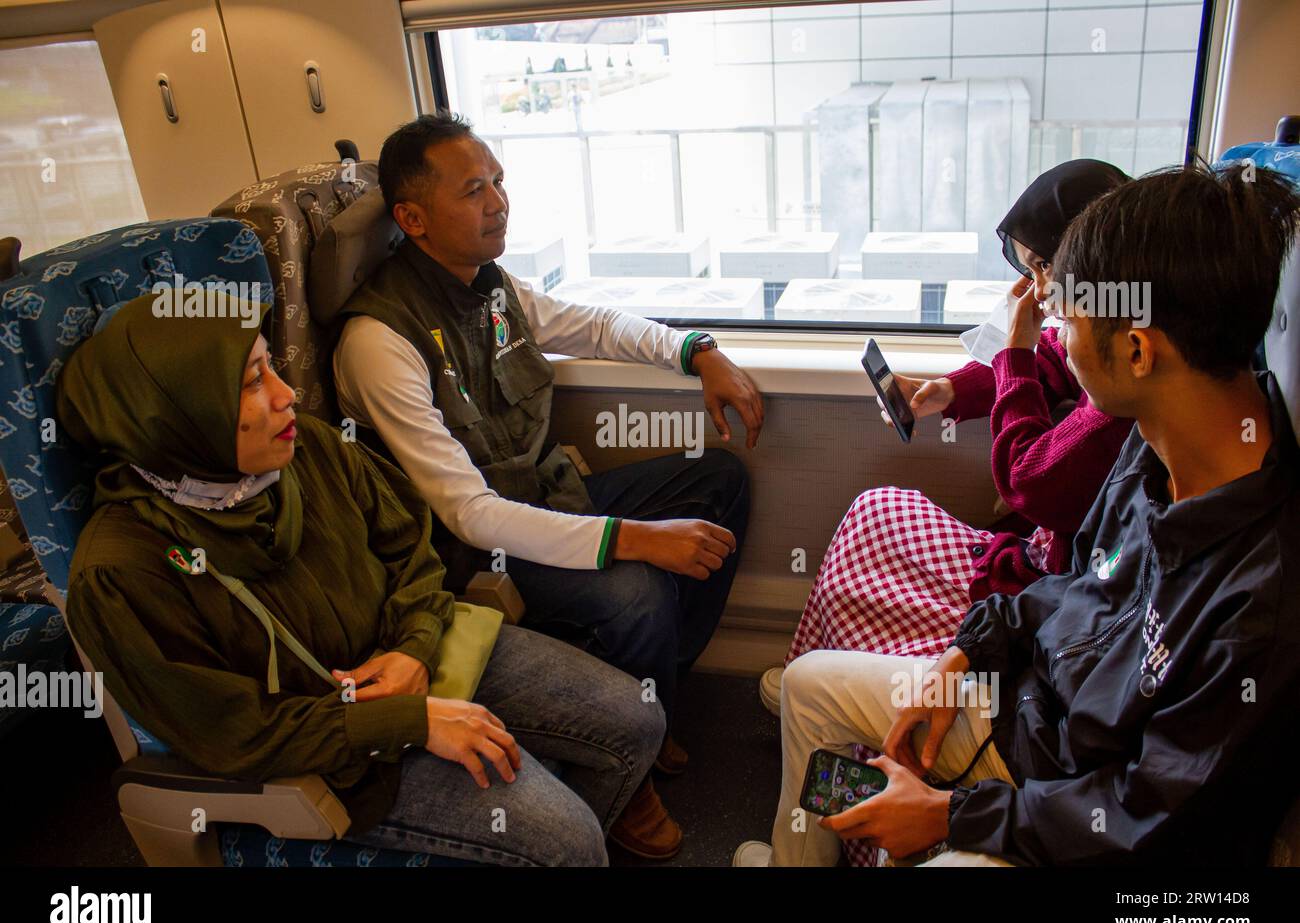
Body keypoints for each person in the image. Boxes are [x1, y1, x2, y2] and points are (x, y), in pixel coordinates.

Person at [735, 161, 1300, 867]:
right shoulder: (1159, 448)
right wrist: (965, 652)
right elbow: (1074, 587)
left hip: (1075, 809)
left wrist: (952, 815)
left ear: (1135, 351)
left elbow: (1148, 818)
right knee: (809, 684)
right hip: (1034, 718)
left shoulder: (1257, 602)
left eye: (1067, 318)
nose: (1053, 330)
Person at [57, 292, 664, 867]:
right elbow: (233, 734)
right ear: (181, 417)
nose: (287, 395)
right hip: (334, 750)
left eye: (271, 367)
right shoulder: (121, 574)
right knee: (568, 840)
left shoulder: (311, 449)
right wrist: (409, 720)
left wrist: (413, 648)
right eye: (251, 384)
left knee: (640, 721)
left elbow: (411, 549)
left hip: (422, 652)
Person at [332, 111, 760, 858]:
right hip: (477, 547)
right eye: (473, 190)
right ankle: (626, 777)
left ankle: (654, 698)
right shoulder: (380, 340)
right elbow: (467, 514)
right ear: (412, 218)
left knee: (718, 480)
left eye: (498, 181)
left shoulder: (491, 288)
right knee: (639, 591)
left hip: (550, 497)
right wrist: (634, 540)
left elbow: (593, 327)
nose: (498, 202)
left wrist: (699, 351)